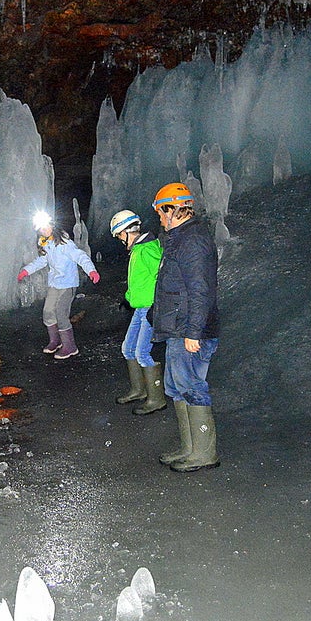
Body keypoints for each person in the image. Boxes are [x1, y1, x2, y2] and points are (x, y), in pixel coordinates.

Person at [147, 182, 220, 472]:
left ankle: (204, 453)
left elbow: (200, 290)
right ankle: (190, 448)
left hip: (189, 330)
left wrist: (193, 332)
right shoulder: (179, 238)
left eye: (161, 213)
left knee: (191, 387)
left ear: (173, 210)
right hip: (178, 327)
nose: (160, 219)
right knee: (177, 387)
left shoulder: (193, 241)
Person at [18, 210, 99, 359]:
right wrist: (26, 271)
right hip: (54, 283)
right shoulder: (46, 244)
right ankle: (55, 341)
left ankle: (70, 346)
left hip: (68, 284)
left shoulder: (65, 243)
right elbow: (42, 261)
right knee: (48, 311)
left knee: (61, 313)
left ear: (53, 226)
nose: (44, 230)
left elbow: (81, 257)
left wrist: (91, 271)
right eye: (41, 228)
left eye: (46, 227)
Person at [109, 209, 165, 415]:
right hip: (140, 307)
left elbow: (163, 275)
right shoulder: (138, 248)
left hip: (149, 307)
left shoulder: (148, 248)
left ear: (126, 231)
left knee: (142, 352)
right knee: (128, 348)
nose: (119, 240)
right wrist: (129, 297)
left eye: (119, 236)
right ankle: (139, 390)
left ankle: (156, 399)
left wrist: (158, 304)